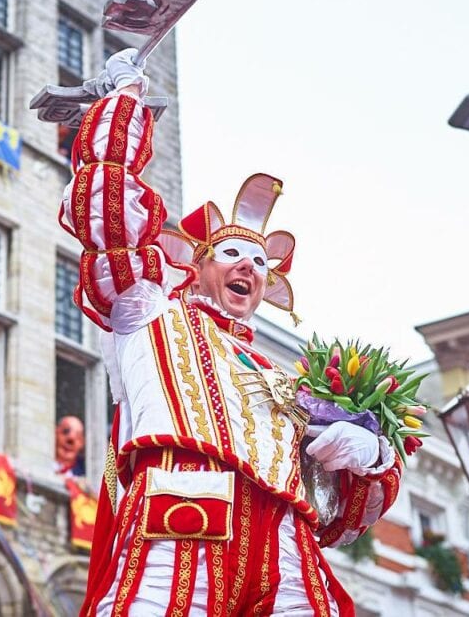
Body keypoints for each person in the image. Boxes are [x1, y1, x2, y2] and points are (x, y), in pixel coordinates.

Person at [58, 48, 402, 616]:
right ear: (197, 268)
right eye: (232, 254)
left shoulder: (286, 383)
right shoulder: (149, 311)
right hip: (182, 519)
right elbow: (109, 212)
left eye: (260, 262)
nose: (249, 266)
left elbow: (340, 520)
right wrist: (125, 100)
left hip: (284, 543)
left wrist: (371, 453)